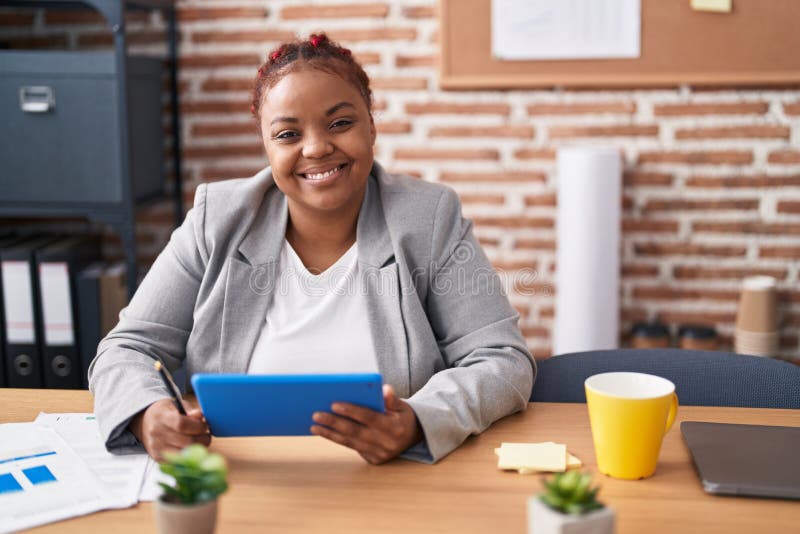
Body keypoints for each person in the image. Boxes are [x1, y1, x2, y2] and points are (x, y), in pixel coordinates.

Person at [89, 33, 535, 465]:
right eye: (287, 134)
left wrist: (420, 421)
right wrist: (148, 415)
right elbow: (128, 349)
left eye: (340, 123)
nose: (318, 148)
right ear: (265, 145)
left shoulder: (428, 217)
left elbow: (502, 358)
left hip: (388, 479)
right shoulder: (217, 220)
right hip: (244, 475)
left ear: (372, 126)